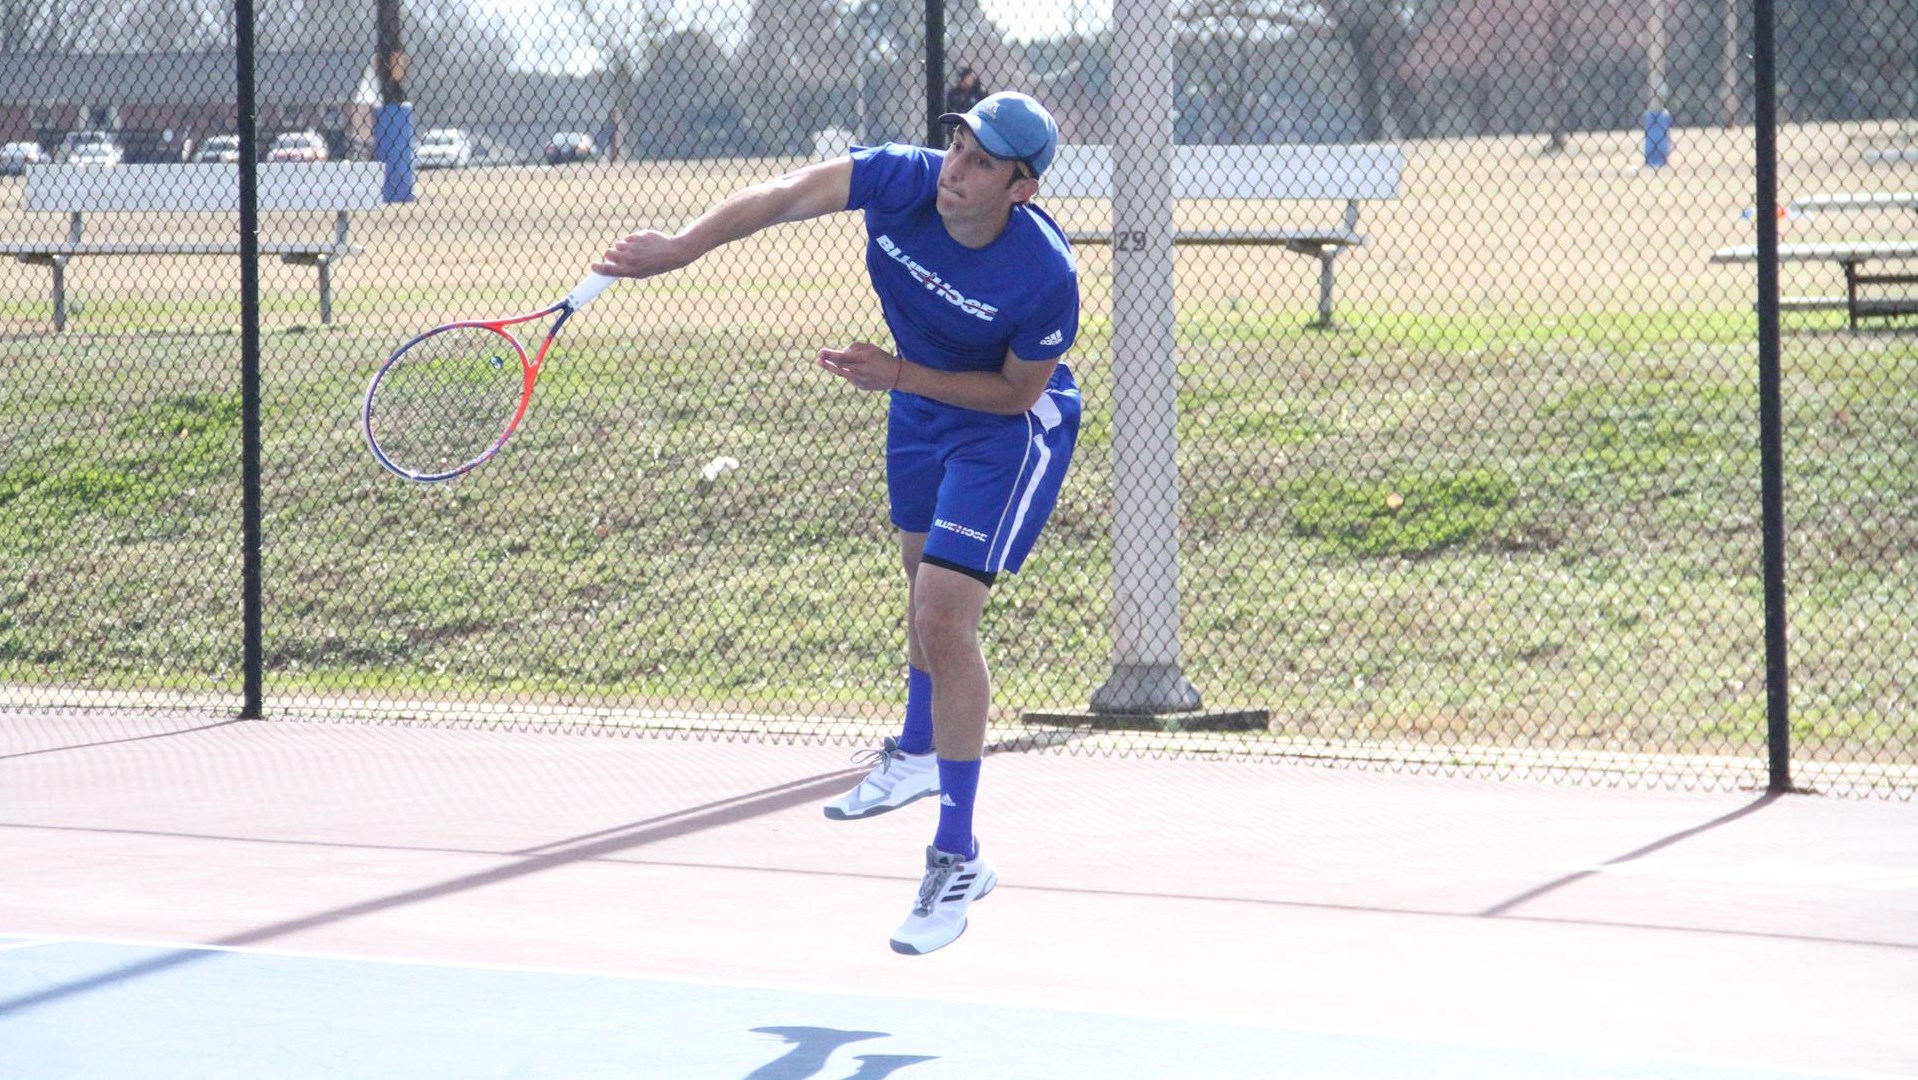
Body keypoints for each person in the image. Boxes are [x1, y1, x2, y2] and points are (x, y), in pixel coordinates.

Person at [591, 92, 1079, 956]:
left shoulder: (1044, 275)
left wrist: (898, 373)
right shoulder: (901, 179)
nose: (956, 171)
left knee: (942, 615)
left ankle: (957, 856)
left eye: (981, 163)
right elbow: (785, 194)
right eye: (959, 147)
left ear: (1022, 190)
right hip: (918, 406)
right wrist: (680, 248)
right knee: (914, 576)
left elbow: (1015, 392)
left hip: (1004, 429)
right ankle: (920, 750)